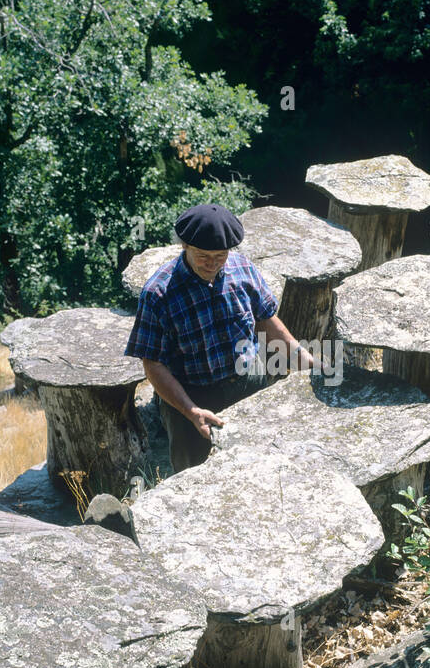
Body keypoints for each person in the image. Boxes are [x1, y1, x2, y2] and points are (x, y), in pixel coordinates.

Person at [125, 202, 316, 472]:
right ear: (184, 246)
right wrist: (191, 411)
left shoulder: (243, 269)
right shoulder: (158, 293)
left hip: (249, 385)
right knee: (195, 477)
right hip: (191, 397)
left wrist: (307, 363)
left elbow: (266, 321)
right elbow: (153, 364)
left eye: (220, 255)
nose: (212, 264)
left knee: (258, 467)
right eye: (203, 255)